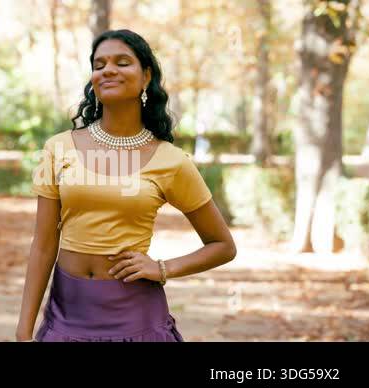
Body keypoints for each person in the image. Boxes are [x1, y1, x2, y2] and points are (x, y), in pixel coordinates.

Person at [16, 29, 237, 342]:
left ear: (146, 77)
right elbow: (42, 245)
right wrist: (24, 331)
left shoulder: (171, 160)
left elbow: (223, 246)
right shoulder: (59, 148)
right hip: (66, 317)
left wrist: (162, 268)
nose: (108, 70)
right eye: (99, 64)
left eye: (122, 62)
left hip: (136, 320)